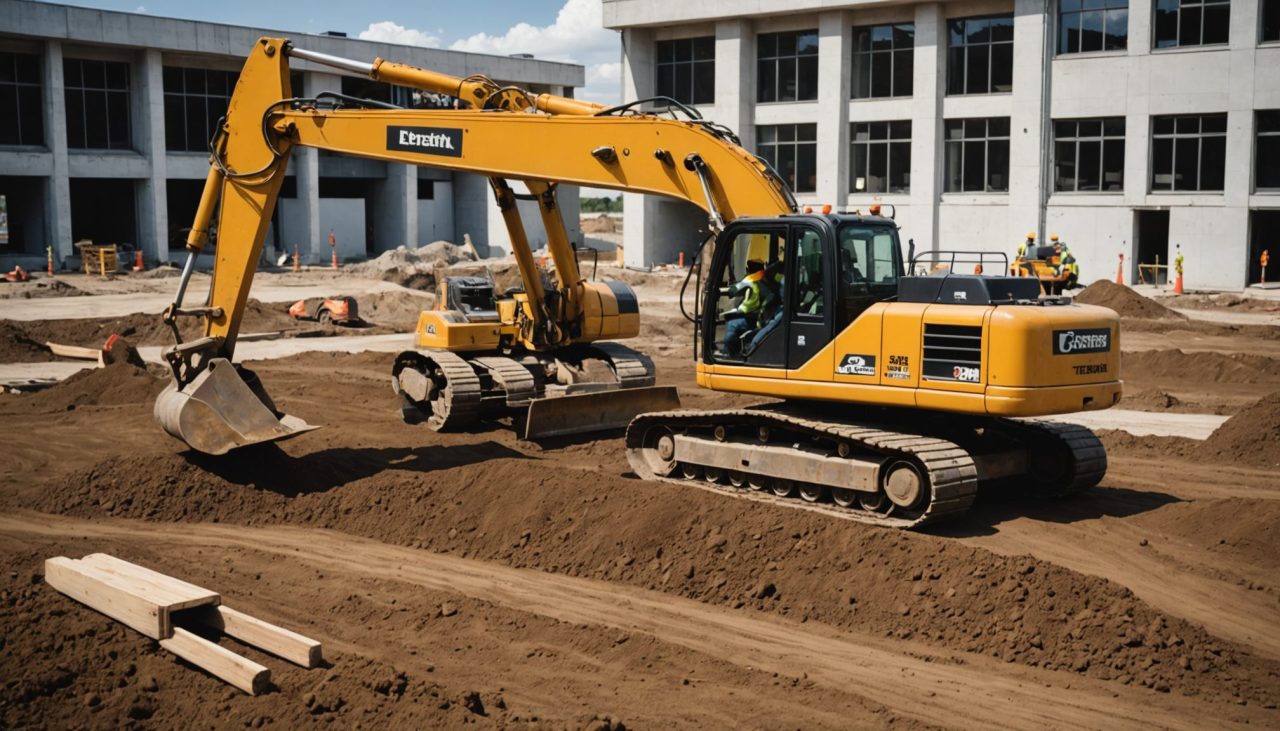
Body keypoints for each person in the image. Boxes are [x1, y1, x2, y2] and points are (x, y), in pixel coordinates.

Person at [720, 259, 767, 357]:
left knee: (732, 325)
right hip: (763, 314)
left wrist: (734, 284)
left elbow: (733, 291)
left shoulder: (750, 279)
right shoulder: (767, 276)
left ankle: (728, 353)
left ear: (747, 269)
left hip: (753, 317)